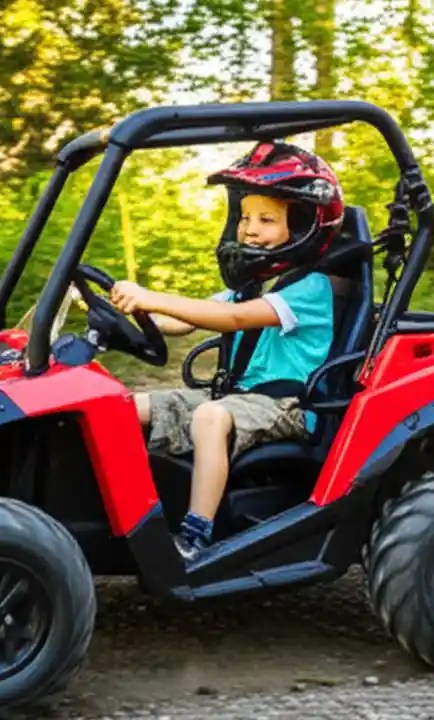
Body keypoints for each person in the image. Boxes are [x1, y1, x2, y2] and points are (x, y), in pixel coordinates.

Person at [109, 141, 345, 562]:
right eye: (245, 217)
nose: (250, 229)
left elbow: (232, 320)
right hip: (236, 397)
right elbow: (184, 320)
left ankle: (195, 536)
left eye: (266, 220)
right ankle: (124, 516)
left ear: (304, 226)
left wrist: (151, 295)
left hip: (286, 406)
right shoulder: (249, 286)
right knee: (120, 408)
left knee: (210, 416)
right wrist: (129, 316)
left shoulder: (311, 289)